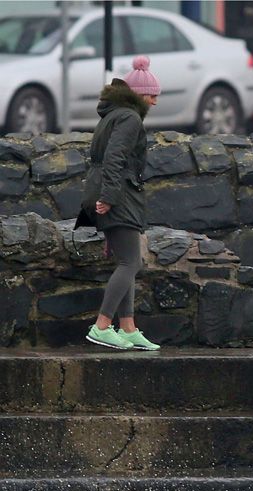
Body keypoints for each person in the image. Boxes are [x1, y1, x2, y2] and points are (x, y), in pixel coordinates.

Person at [78, 55, 161, 351]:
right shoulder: (129, 117)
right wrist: (109, 198)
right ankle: (101, 326)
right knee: (131, 262)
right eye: (151, 95)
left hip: (112, 191)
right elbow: (114, 157)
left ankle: (128, 328)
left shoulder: (113, 115)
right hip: (119, 193)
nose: (155, 101)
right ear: (139, 95)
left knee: (128, 260)